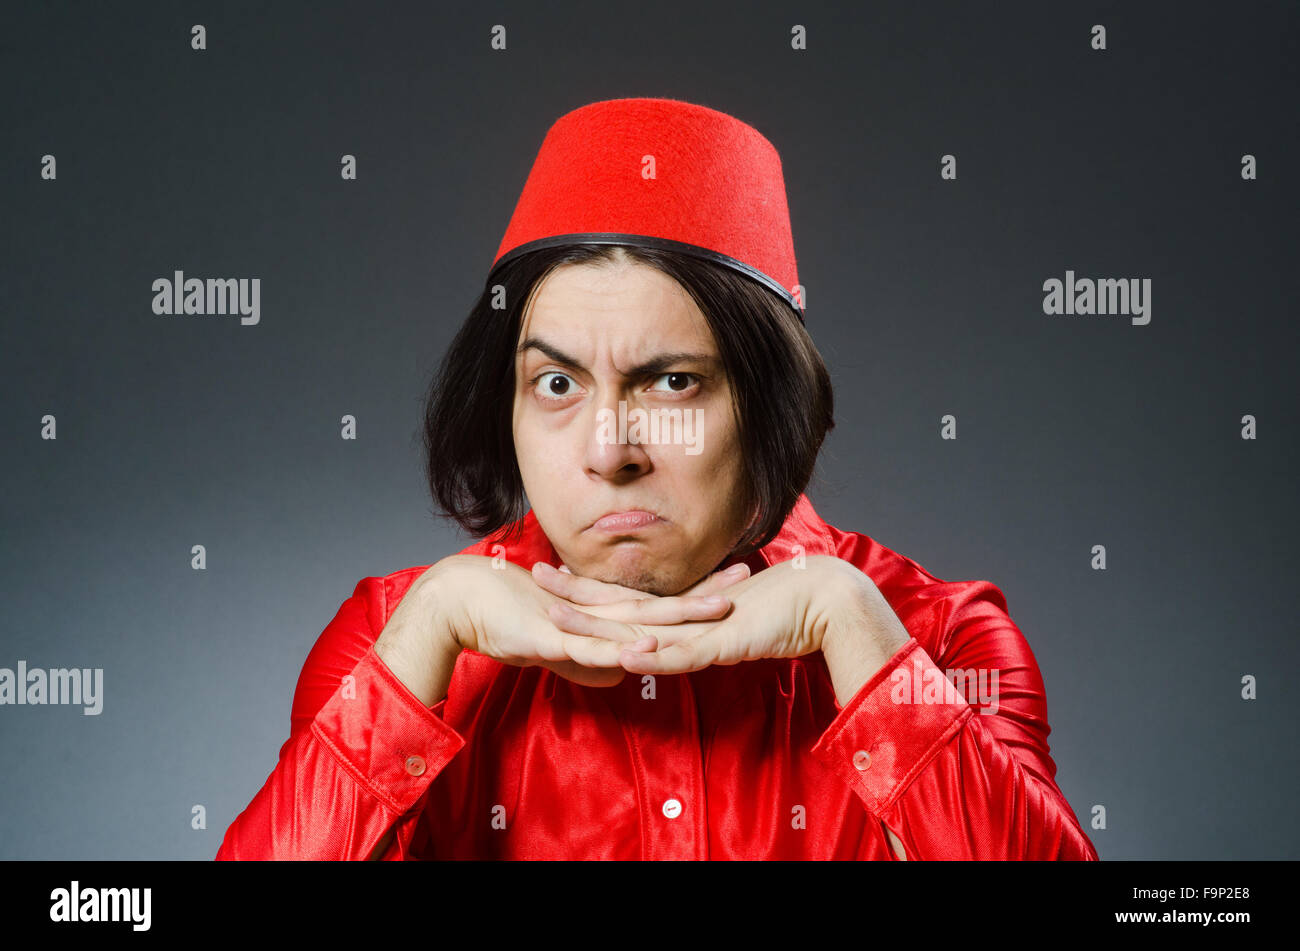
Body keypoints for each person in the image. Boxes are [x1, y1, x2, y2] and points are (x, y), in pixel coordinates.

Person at [216, 97, 1098, 860]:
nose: (609, 450)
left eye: (673, 381)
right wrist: (424, 641)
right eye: (556, 384)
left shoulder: (940, 642)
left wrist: (855, 634)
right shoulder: (395, 642)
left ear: (768, 403)